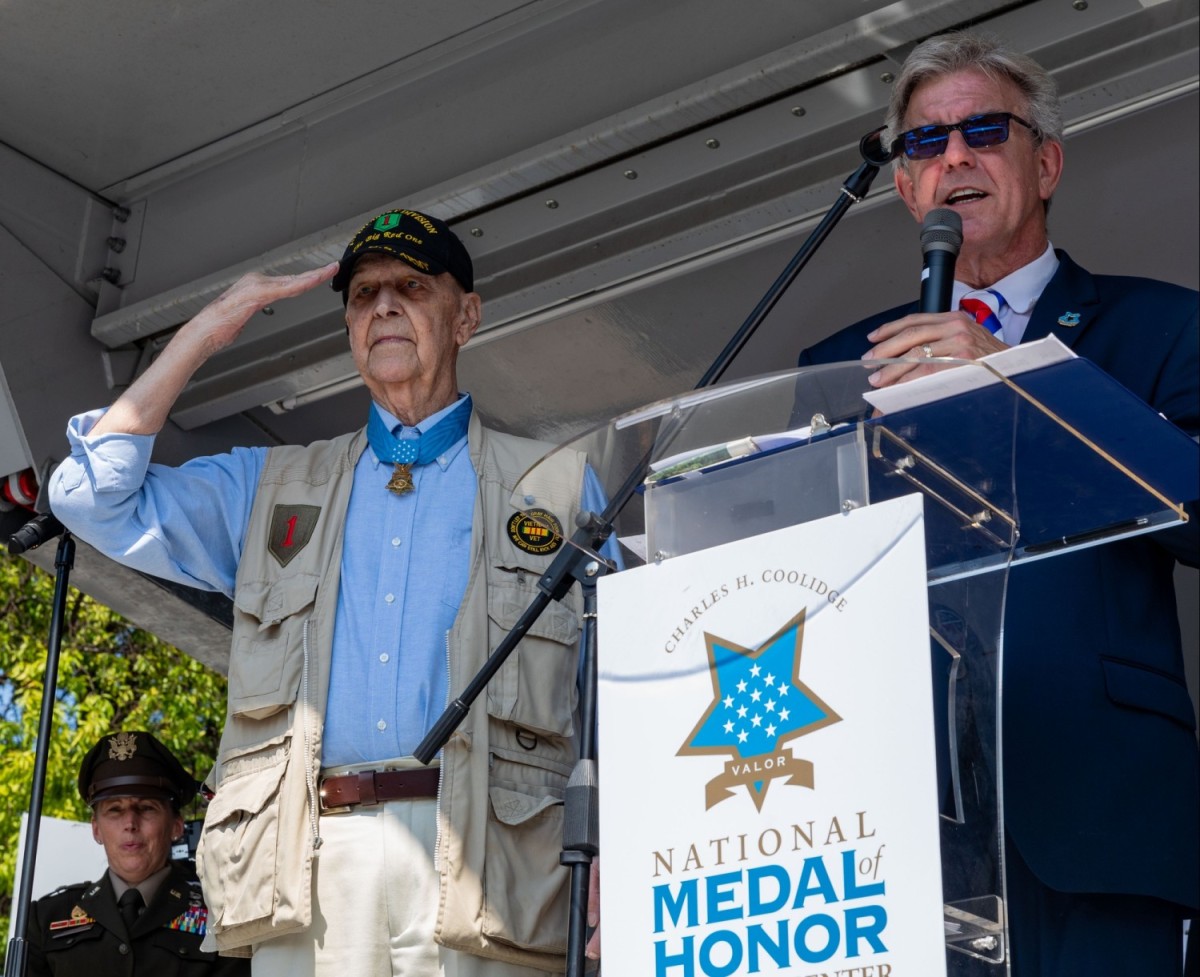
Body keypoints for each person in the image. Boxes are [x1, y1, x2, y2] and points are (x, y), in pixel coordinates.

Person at [49, 209, 610, 976]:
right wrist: (210, 327)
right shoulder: (270, 487)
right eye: (362, 294)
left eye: (411, 286)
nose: (382, 305)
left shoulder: (557, 484)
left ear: (466, 316)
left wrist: (616, 839)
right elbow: (88, 496)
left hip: (494, 853)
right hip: (311, 865)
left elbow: (613, 686)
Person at [797, 32, 1199, 976]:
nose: (954, 158)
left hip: (1100, 816)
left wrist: (1021, 384)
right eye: (925, 145)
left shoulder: (1164, 325)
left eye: (984, 130)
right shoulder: (839, 366)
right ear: (903, 188)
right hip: (894, 824)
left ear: (1047, 161)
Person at [24, 730, 248, 976]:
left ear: (176, 825)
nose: (130, 822)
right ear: (96, 829)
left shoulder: (220, 913)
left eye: (146, 808)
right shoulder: (46, 918)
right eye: (114, 810)